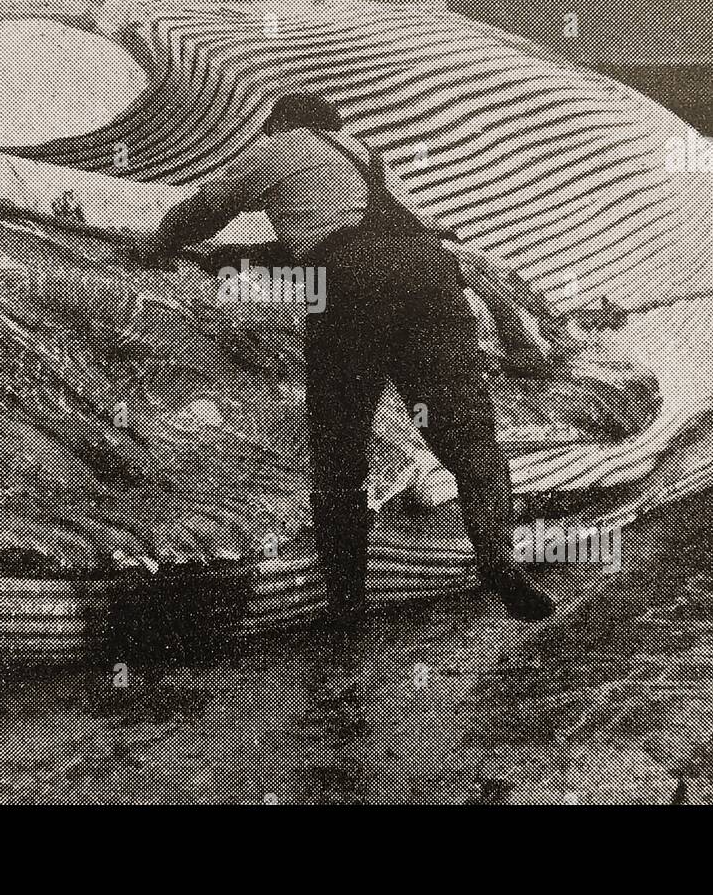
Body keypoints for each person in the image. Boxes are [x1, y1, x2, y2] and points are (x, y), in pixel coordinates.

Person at [130, 94, 555, 625]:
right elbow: (346, 229)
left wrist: (158, 250)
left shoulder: (270, 150)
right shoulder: (361, 160)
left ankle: (347, 599)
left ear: (281, 123)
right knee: (469, 441)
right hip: (428, 276)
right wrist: (250, 254)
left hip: (347, 289)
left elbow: (207, 211)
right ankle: (498, 563)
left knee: (339, 451)